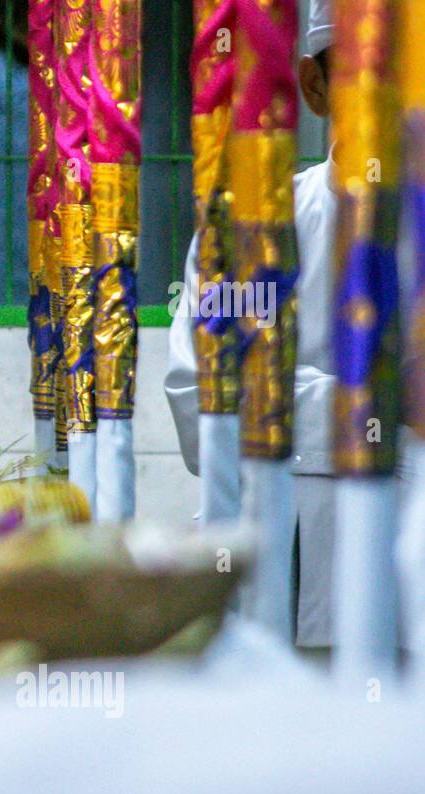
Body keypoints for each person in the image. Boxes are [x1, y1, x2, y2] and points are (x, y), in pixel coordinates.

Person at [164, 2, 335, 649]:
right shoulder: (248, 231)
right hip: (272, 609)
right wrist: (369, 403)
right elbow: (202, 402)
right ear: (315, 86)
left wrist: (294, 396)